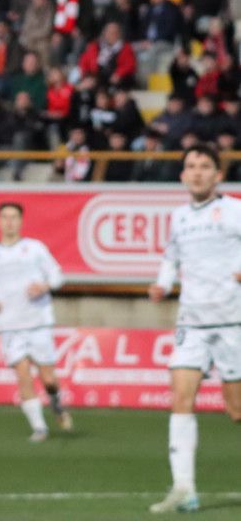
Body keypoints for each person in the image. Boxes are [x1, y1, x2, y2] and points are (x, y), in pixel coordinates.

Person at [148, 143, 241, 514]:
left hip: (233, 321)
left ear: (218, 174)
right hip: (192, 323)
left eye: (205, 166)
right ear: (183, 175)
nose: (198, 172)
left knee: (236, 410)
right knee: (180, 399)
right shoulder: (179, 217)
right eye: (191, 166)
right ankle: (184, 488)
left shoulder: (234, 210)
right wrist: (163, 284)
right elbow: (171, 257)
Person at [0, 202, 72, 442]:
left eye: (14, 217)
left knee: (48, 378)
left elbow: (58, 275)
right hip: (9, 323)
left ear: (21, 221)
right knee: (22, 374)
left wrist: (44, 286)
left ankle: (56, 402)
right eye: (5, 217)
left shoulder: (34, 248)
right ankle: (40, 428)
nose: (9, 222)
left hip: (37, 320)